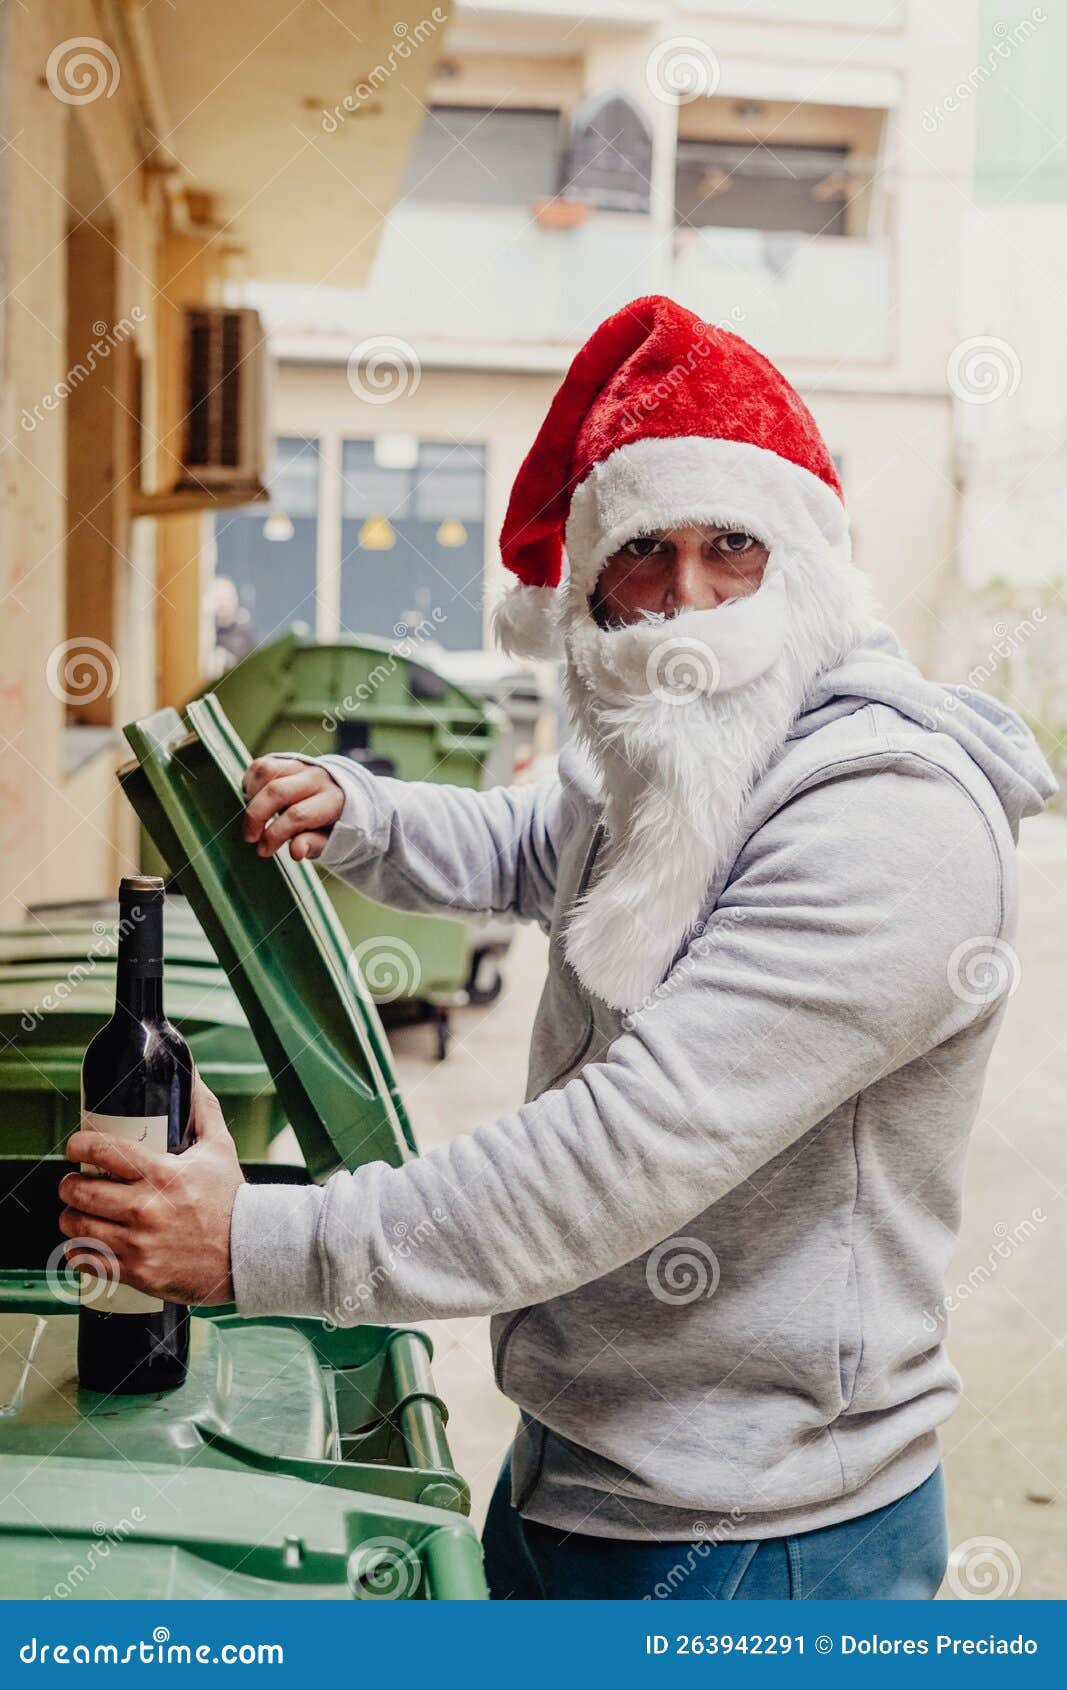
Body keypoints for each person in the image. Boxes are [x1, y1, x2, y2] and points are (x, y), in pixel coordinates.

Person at [61, 296, 1056, 1600]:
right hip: (574, 1468)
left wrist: (255, 1240)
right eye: (643, 552)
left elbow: (625, 1151)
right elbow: (553, 843)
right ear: (587, 587)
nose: (686, 600)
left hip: (765, 1537)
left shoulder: (888, 820)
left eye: (733, 547)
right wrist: (368, 815)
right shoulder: (678, 754)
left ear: (809, 562)